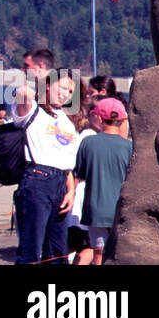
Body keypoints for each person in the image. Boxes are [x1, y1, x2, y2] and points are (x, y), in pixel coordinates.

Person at [9, 70, 80, 264]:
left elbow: (68, 162)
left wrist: (71, 191)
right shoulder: (34, 110)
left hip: (61, 183)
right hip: (37, 179)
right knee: (31, 249)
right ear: (48, 85)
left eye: (71, 91)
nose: (66, 93)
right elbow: (22, 92)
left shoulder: (66, 120)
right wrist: (38, 85)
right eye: (63, 87)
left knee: (58, 251)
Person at [73, 98, 131, 265]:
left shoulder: (88, 143)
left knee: (98, 253)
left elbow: (80, 173)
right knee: (119, 253)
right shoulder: (129, 147)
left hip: (95, 209)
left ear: (99, 119)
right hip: (121, 210)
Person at [67, 98, 99, 263]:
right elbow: (79, 169)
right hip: (83, 198)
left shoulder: (85, 135)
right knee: (87, 247)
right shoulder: (90, 136)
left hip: (79, 199)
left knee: (74, 243)